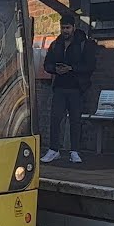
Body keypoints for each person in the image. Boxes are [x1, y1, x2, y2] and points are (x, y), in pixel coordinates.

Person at [41, 14, 97, 164]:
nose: (65, 31)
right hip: (59, 87)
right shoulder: (56, 44)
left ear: (74, 27)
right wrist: (55, 69)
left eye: (68, 28)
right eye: (63, 28)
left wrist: (71, 69)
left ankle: (75, 151)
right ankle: (54, 149)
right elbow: (47, 64)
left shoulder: (84, 44)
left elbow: (90, 66)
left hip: (76, 88)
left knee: (75, 121)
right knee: (55, 119)